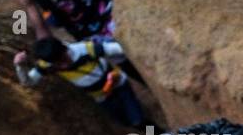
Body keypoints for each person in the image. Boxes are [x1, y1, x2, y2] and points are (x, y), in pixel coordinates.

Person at [14, 35, 145, 127]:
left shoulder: (86, 49)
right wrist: (19, 66)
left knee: (137, 119)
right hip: (102, 97)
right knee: (124, 121)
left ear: (65, 50)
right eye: (58, 64)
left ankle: (161, 134)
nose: (63, 66)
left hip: (119, 85)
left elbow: (117, 48)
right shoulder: (47, 64)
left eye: (63, 60)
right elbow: (28, 83)